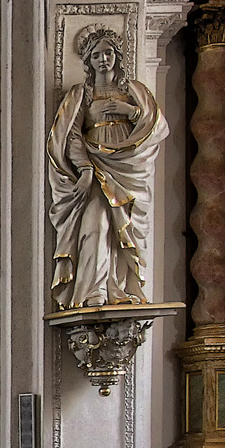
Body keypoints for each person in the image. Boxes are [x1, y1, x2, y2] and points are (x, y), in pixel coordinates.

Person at [45, 26, 166, 311]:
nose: (103, 59)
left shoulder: (134, 91)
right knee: (96, 222)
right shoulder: (81, 94)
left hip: (127, 168)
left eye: (108, 53)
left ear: (117, 56)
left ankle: (119, 288)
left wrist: (131, 112)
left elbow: (157, 126)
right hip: (97, 165)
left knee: (121, 227)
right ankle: (94, 290)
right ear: (88, 61)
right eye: (96, 55)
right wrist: (85, 168)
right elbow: (70, 135)